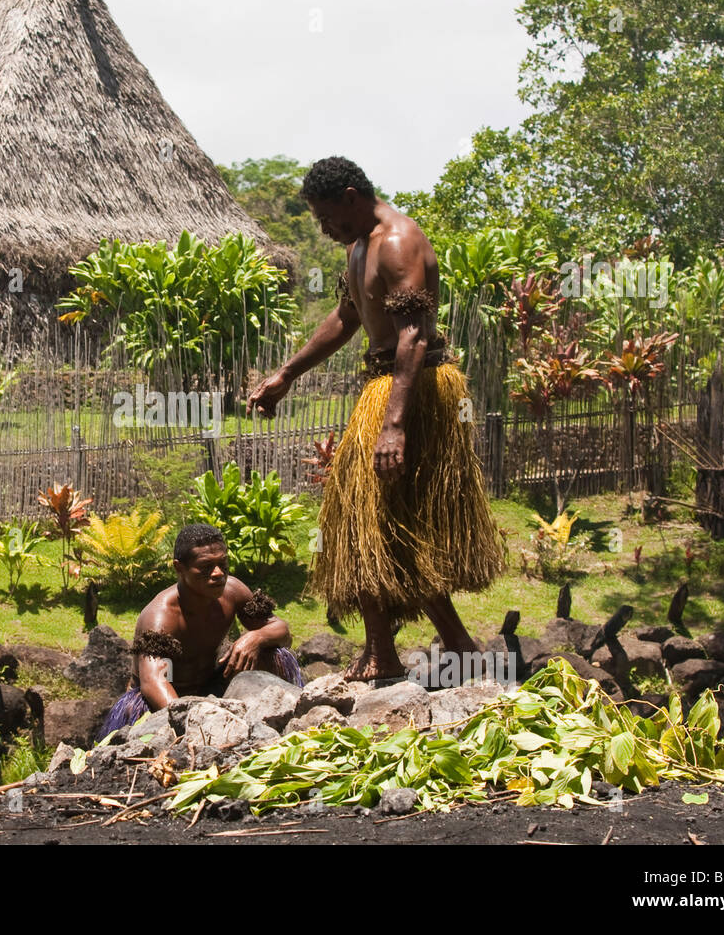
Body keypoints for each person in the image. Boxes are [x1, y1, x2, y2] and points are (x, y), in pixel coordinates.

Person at [247, 156, 503, 683]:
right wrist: (286, 374)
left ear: (350, 196)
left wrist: (395, 425)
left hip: (415, 392)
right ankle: (415, 646)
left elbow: (413, 336)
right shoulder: (358, 245)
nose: (324, 228)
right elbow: (349, 317)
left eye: (326, 217)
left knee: (374, 520)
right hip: (384, 387)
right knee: (366, 523)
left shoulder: (396, 242)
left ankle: (405, 649)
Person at [96, 524, 303, 738]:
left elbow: (282, 632)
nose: (218, 573)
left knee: (275, 652)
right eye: (206, 567)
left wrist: (255, 637)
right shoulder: (161, 617)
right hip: (158, 704)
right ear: (179, 568)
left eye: (223, 563)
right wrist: (191, 725)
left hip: (209, 686)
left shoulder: (233, 592)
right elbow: (153, 683)